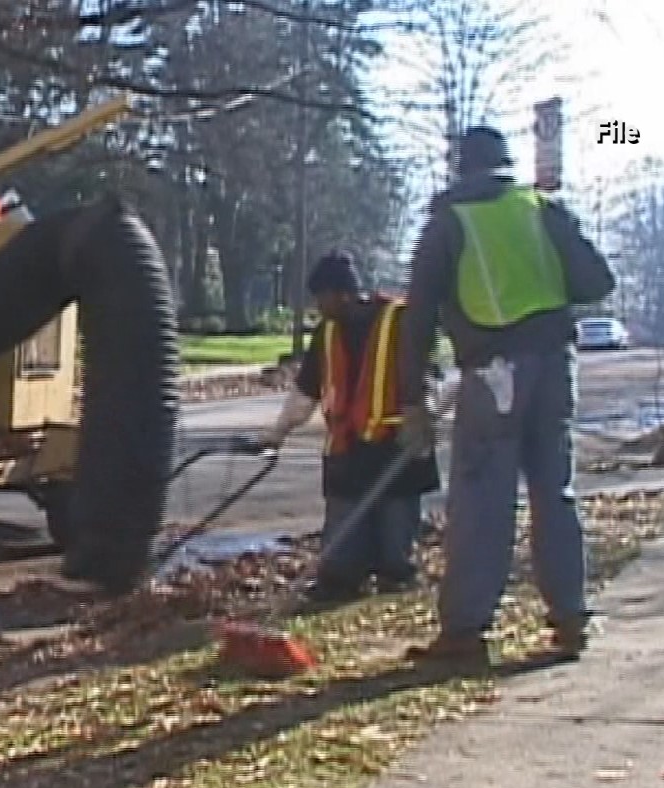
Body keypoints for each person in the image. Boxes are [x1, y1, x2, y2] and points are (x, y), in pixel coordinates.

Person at [395, 125, 618, 664]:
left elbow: (418, 316)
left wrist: (412, 399)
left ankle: (465, 631)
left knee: (482, 499)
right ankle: (570, 618)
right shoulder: (541, 209)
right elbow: (597, 282)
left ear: (460, 167)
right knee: (554, 491)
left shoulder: (449, 221)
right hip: (555, 364)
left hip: (494, 372)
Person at [249, 251, 441, 607]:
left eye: (322, 298)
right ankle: (340, 582)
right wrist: (278, 432)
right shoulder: (327, 334)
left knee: (395, 540)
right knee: (342, 542)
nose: (318, 307)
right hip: (348, 453)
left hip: (396, 448)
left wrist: (424, 413)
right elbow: (306, 392)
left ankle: (395, 581)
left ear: (345, 294)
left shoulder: (399, 320)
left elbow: (428, 375)